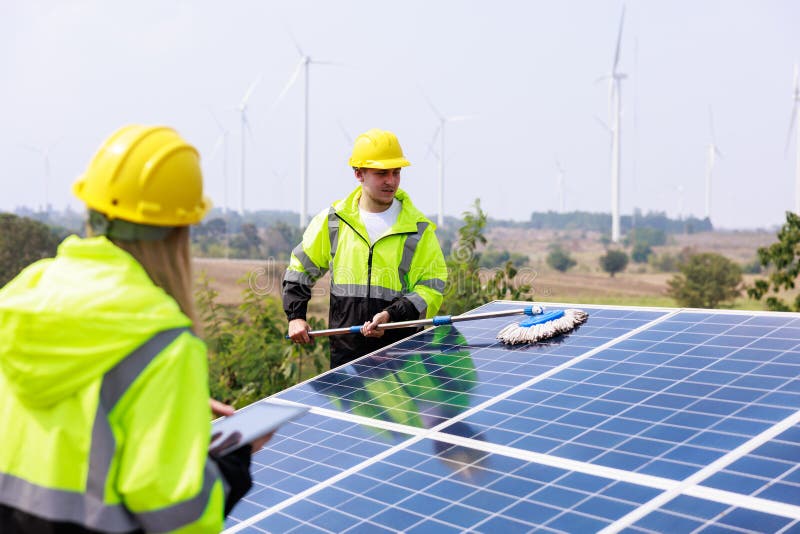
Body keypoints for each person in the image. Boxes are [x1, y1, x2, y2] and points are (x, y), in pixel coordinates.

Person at [0, 125, 259, 533]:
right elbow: (177, 515)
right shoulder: (163, 341)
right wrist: (234, 460)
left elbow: (68, 418)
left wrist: (169, 404)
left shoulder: (20, 298)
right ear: (179, 231)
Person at [283, 128, 448, 368]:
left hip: (400, 358)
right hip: (345, 359)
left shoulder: (419, 229)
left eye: (396, 172)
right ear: (359, 174)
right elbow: (299, 270)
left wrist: (392, 315)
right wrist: (295, 317)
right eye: (382, 173)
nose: (391, 181)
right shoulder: (333, 221)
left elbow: (432, 287)